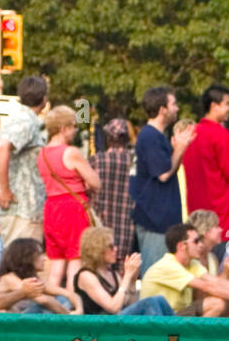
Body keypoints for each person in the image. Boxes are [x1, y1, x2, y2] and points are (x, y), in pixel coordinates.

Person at [131, 86, 195, 273]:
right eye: (173, 104)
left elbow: (171, 168)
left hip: (162, 221)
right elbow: (164, 173)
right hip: (154, 220)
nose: (177, 108)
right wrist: (181, 146)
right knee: (155, 274)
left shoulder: (157, 137)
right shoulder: (150, 137)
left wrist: (180, 148)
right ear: (162, 109)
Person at [37, 105, 100, 293]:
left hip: (51, 207)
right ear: (63, 128)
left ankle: (53, 304)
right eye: (73, 126)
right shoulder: (70, 152)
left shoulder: (42, 154)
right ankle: (73, 302)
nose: (75, 130)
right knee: (75, 259)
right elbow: (96, 182)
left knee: (56, 262)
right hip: (72, 208)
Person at [140, 223, 229, 317]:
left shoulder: (192, 262)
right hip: (160, 319)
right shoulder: (168, 265)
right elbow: (207, 286)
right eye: (196, 241)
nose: (201, 244)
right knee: (217, 303)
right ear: (181, 246)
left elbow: (215, 282)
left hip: (178, 315)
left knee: (227, 303)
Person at [0, 75, 50, 244]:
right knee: (23, 264)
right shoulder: (26, 121)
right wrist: (3, 189)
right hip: (23, 209)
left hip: (18, 209)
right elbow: (1, 147)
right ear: (44, 99)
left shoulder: (16, 119)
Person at [182, 85, 229, 233]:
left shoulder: (192, 132)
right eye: (226, 104)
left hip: (198, 214)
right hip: (223, 216)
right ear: (214, 106)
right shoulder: (219, 133)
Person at [74, 227, 173, 316]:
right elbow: (113, 308)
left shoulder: (113, 274)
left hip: (118, 321)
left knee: (160, 299)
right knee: (150, 303)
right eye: (111, 247)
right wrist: (127, 276)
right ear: (98, 250)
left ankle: (178, 333)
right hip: (101, 326)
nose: (116, 249)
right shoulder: (86, 275)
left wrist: (132, 282)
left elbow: (130, 304)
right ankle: (161, 335)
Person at [0, 236, 78, 314]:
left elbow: (68, 293)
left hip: (22, 318)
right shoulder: (9, 278)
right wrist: (68, 316)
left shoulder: (32, 278)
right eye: (40, 254)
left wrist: (79, 311)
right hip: (10, 322)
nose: (45, 259)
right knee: (50, 305)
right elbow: (44, 300)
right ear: (27, 257)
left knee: (62, 299)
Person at [90, 118, 136, 255]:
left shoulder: (96, 160)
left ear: (108, 138)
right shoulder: (135, 160)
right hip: (128, 221)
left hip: (101, 219)